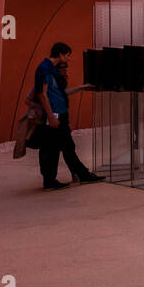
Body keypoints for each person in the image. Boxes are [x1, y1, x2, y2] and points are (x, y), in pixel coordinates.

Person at [31, 42, 103, 190]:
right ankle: (56, 179)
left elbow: (60, 93)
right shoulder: (44, 70)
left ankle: (76, 174)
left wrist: (82, 87)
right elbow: (42, 95)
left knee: (65, 146)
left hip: (60, 115)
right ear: (61, 54)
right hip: (54, 116)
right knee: (54, 147)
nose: (69, 59)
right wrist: (51, 117)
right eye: (68, 56)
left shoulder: (52, 70)